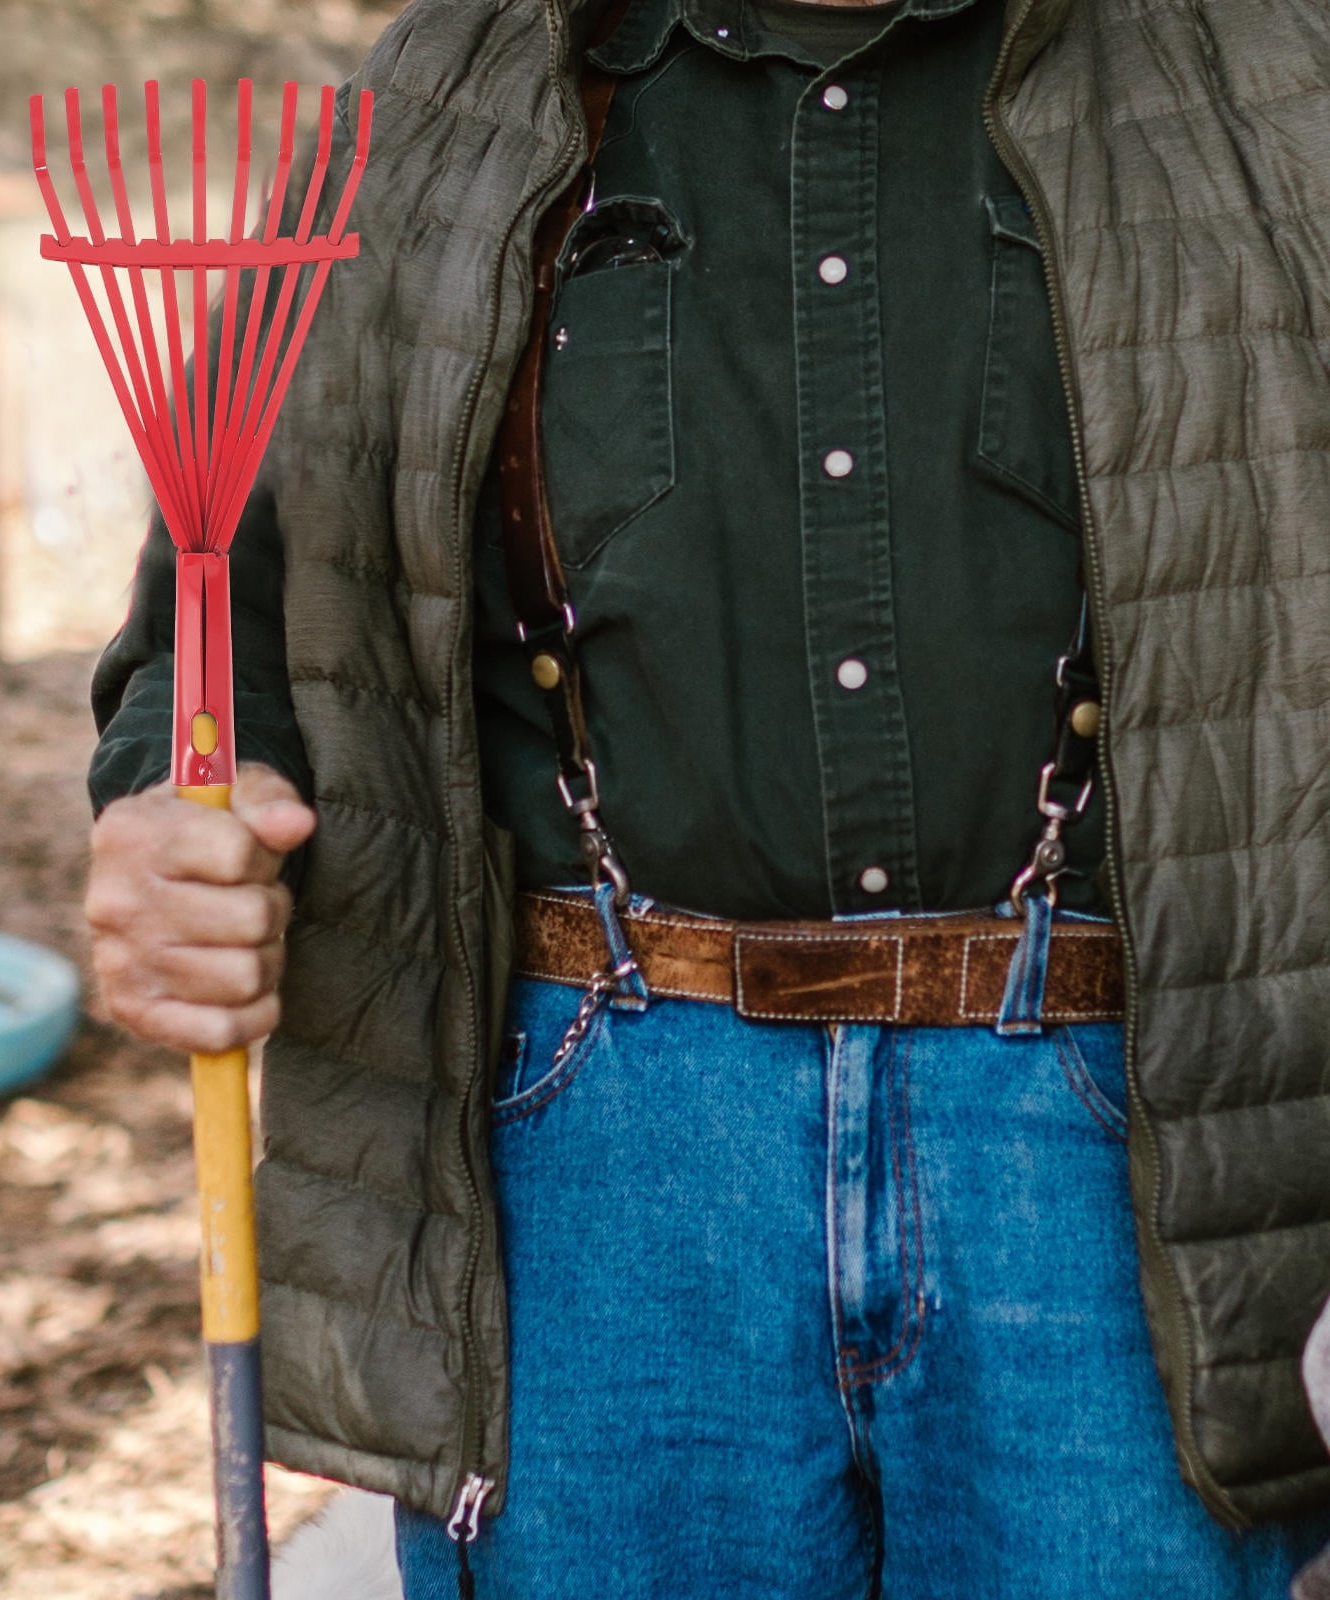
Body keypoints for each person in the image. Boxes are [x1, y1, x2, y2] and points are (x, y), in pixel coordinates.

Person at [82, 0, 1330, 1594]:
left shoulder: (1272, 77)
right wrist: (181, 811)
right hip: (602, 1140)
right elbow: (228, 624)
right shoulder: (444, 102)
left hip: (1133, 1135)